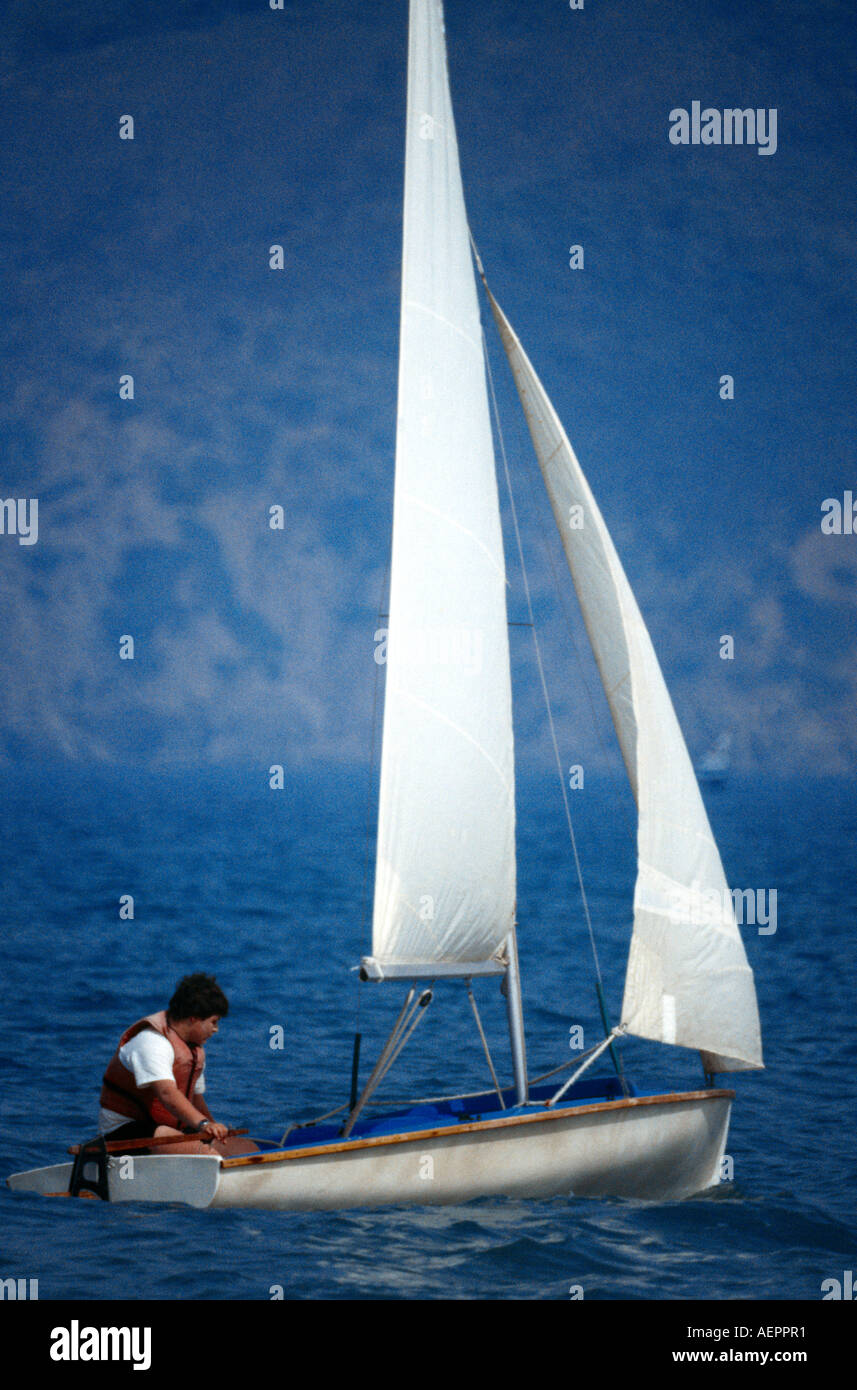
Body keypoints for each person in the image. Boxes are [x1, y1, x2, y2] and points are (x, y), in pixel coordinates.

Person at [99, 973, 256, 1156]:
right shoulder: (152, 1042)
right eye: (213, 1022)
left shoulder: (192, 1050)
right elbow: (167, 1094)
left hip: (170, 1129)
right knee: (208, 1157)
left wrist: (215, 1130)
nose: (216, 1029)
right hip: (125, 1132)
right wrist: (203, 1124)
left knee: (245, 1149)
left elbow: (196, 1100)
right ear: (193, 1018)